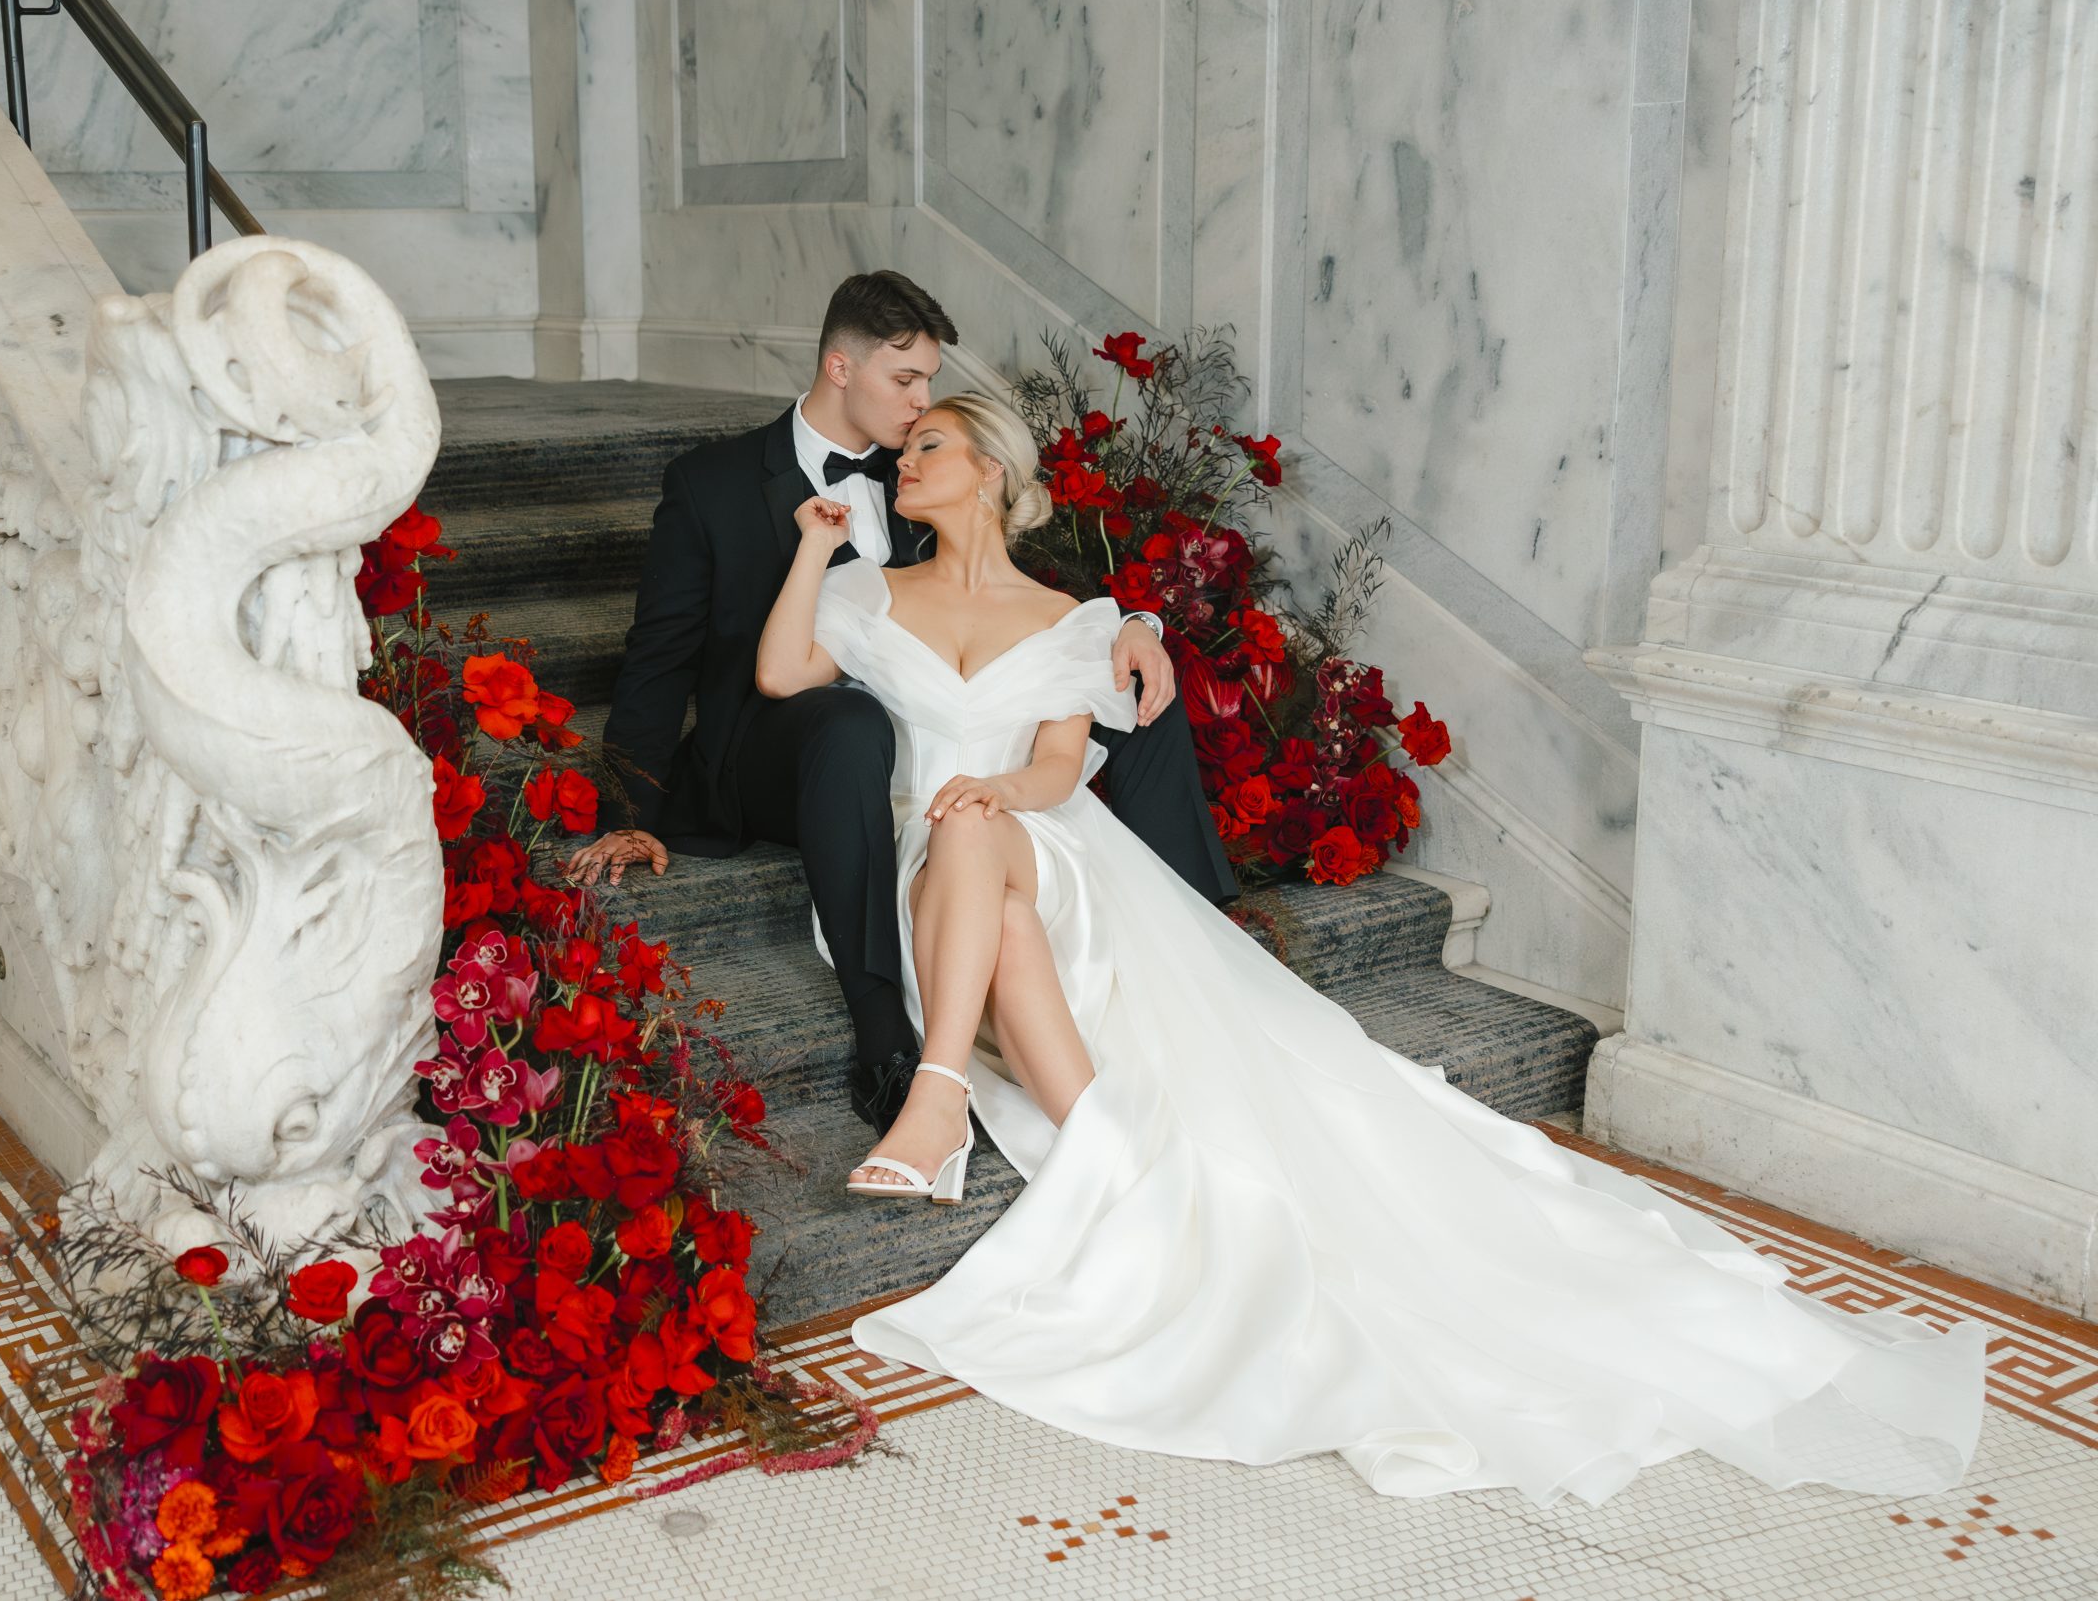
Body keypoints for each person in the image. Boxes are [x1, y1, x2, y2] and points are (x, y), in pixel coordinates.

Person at [751, 390, 1986, 1506]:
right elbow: (780, 672)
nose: (899, 461)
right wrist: (814, 543)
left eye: (927, 445)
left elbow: (1059, 766)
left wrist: (1001, 796)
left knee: (988, 839)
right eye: (899, 449)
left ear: (990, 471)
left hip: (1043, 842)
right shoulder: (869, 590)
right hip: (926, 873)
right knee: (976, 874)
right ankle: (1082, 1132)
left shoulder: (1074, 618)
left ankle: (941, 1100)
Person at [567, 273, 1233, 1132]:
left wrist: (1135, 623)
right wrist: (629, 811)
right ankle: (887, 1037)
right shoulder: (715, 484)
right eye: (906, 380)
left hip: (919, 742)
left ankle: (1199, 924)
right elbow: (658, 659)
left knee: (1132, 677)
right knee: (851, 723)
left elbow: (1017, 594)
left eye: (929, 383)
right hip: (777, 748)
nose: (923, 404)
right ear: (840, 368)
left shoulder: (920, 471)